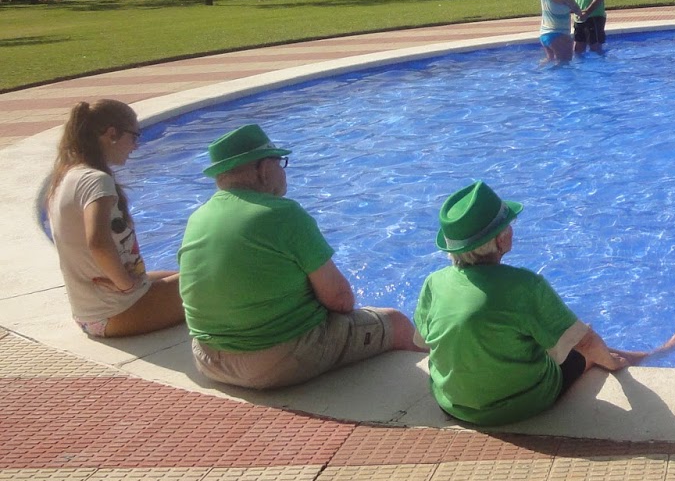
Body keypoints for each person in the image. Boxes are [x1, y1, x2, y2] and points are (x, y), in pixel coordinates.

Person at [415, 181, 675, 426]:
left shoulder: (433, 283)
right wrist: (610, 361)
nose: (511, 229)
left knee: (538, 335)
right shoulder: (524, 286)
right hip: (519, 403)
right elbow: (586, 343)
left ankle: (646, 353)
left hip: (453, 403)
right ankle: (655, 354)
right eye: (508, 225)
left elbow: (424, 341)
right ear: (499, 239)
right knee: (587, 344)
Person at [179, 124, 425, 389]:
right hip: (272, 363)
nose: (283, 172)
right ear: (262, 169)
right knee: (396, 323)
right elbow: (341, 301)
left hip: (207, 359)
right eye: (280, 162)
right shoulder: (281, 214)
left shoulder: (198, 217)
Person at [43, 100, 183, 338]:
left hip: (91, 312)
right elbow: (97, 241)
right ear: (112, 135)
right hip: (117, 310)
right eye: (135, 136)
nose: (136, 146)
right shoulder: (97, 181)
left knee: (180, 272)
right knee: (218, 278)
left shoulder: (67, 175)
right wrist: (125, 284)